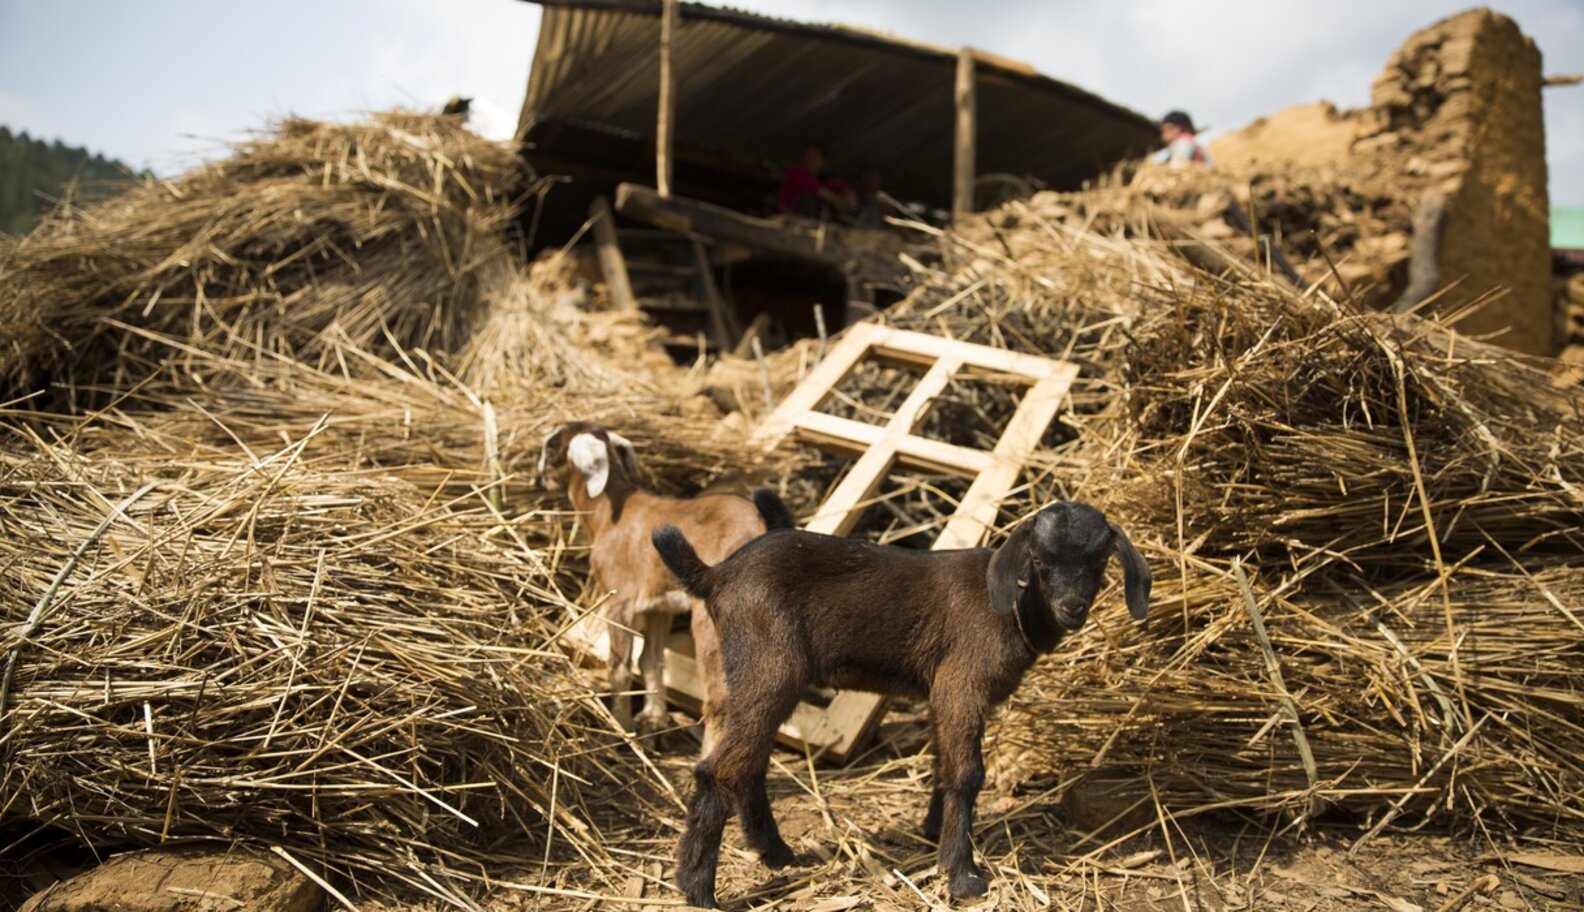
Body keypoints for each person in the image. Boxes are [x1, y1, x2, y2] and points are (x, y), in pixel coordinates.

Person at [777, 141, 856, 217]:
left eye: (815, 157)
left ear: (824, 162)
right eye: (808, 156)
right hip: (786, 218)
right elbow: (814, 187)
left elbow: (841, 187)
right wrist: (837, 200)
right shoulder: (795, 173)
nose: (811, 160)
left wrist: (849, 196)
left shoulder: (824, 180)